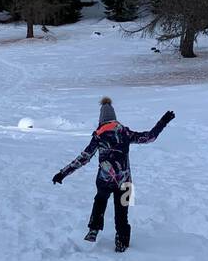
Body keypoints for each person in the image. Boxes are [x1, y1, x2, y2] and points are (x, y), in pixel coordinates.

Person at [52, 96, 175, 252]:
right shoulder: (125, 132)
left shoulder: (98, 135)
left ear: (101, 119)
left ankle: (93, 230)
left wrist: (62, 173)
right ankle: (122, 242)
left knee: (100, 200)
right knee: (123, 212)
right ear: (114, 118)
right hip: (126, 181)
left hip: (104, 180)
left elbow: (84, 158)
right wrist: (163, 122)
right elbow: (149, 137)